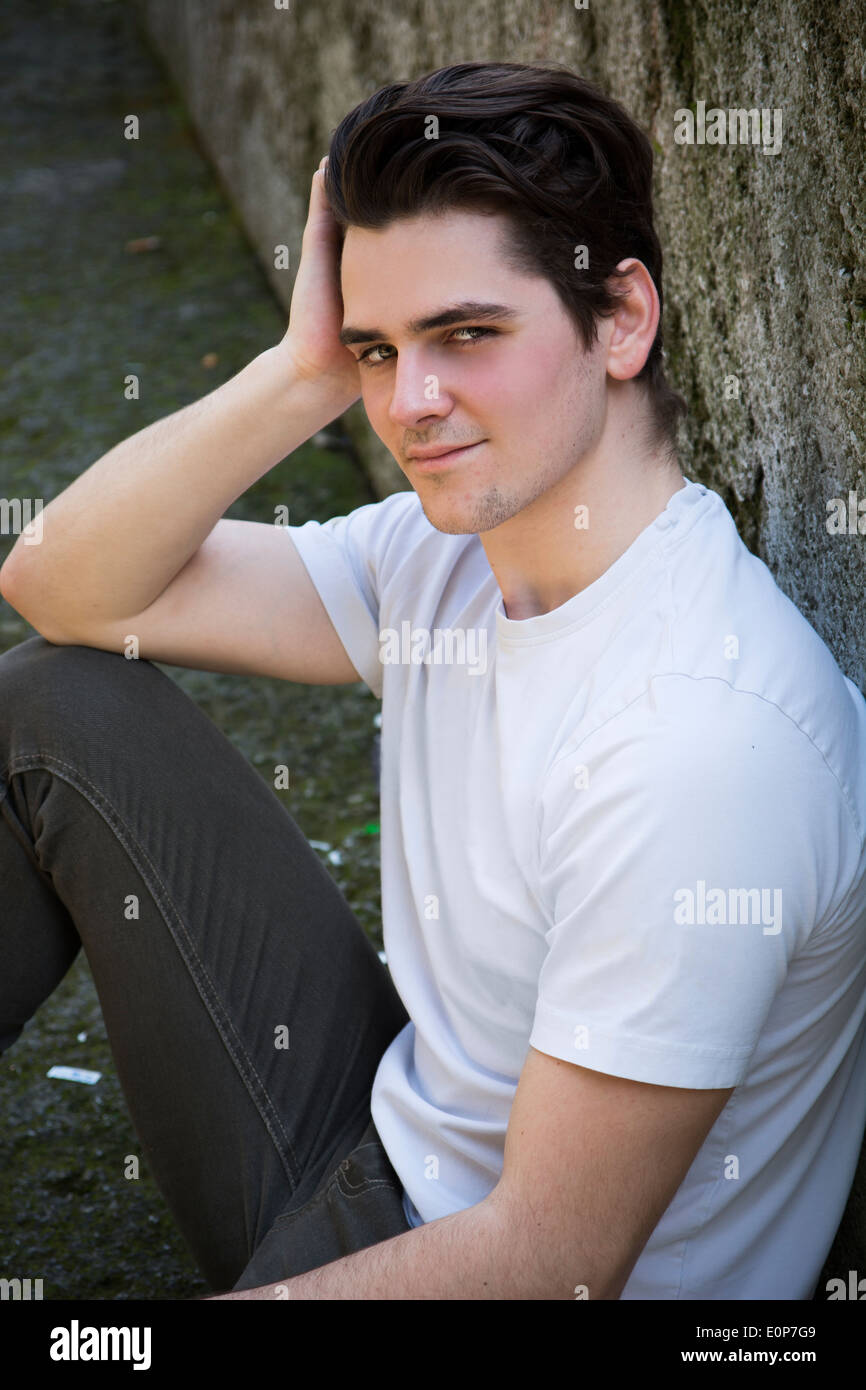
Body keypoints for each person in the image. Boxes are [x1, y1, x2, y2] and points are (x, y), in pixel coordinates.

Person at [1, 60, 864, 1301]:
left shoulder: (700, 744)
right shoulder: (448, 557)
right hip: (387, 1148)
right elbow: (69, 586)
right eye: (375, 349)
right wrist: (302, 372)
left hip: (477, 1267)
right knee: (52, 705)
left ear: (620, 319)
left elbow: (547, 1260)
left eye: (466, 334)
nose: (410, 403)